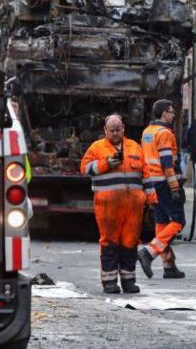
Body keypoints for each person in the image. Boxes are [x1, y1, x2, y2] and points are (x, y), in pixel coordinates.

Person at [80, 114, 146, 294]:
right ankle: (109, 282)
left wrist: (150, 197)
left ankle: (128, 281)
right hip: (107, 207)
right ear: (105, 130)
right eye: (112, 130)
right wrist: (106, 164)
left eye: (118, 130)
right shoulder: (97, 147)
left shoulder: (134, 146)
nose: (115, 133)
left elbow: (145, 173)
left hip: (133, 207)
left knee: (130, 242)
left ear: (123, 128)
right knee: (109, 241)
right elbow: (85, 168)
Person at [137, 100, 187, 280]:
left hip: (151, 183)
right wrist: (175, 187)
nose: (173, 115)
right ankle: (149, 252)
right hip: (164, 183)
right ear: (165, 113)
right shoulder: (165, 133)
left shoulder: (147, 132)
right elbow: (167, 164)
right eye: (172, 112)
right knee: (178, 221)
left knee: (162, 222)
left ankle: (168, 265)